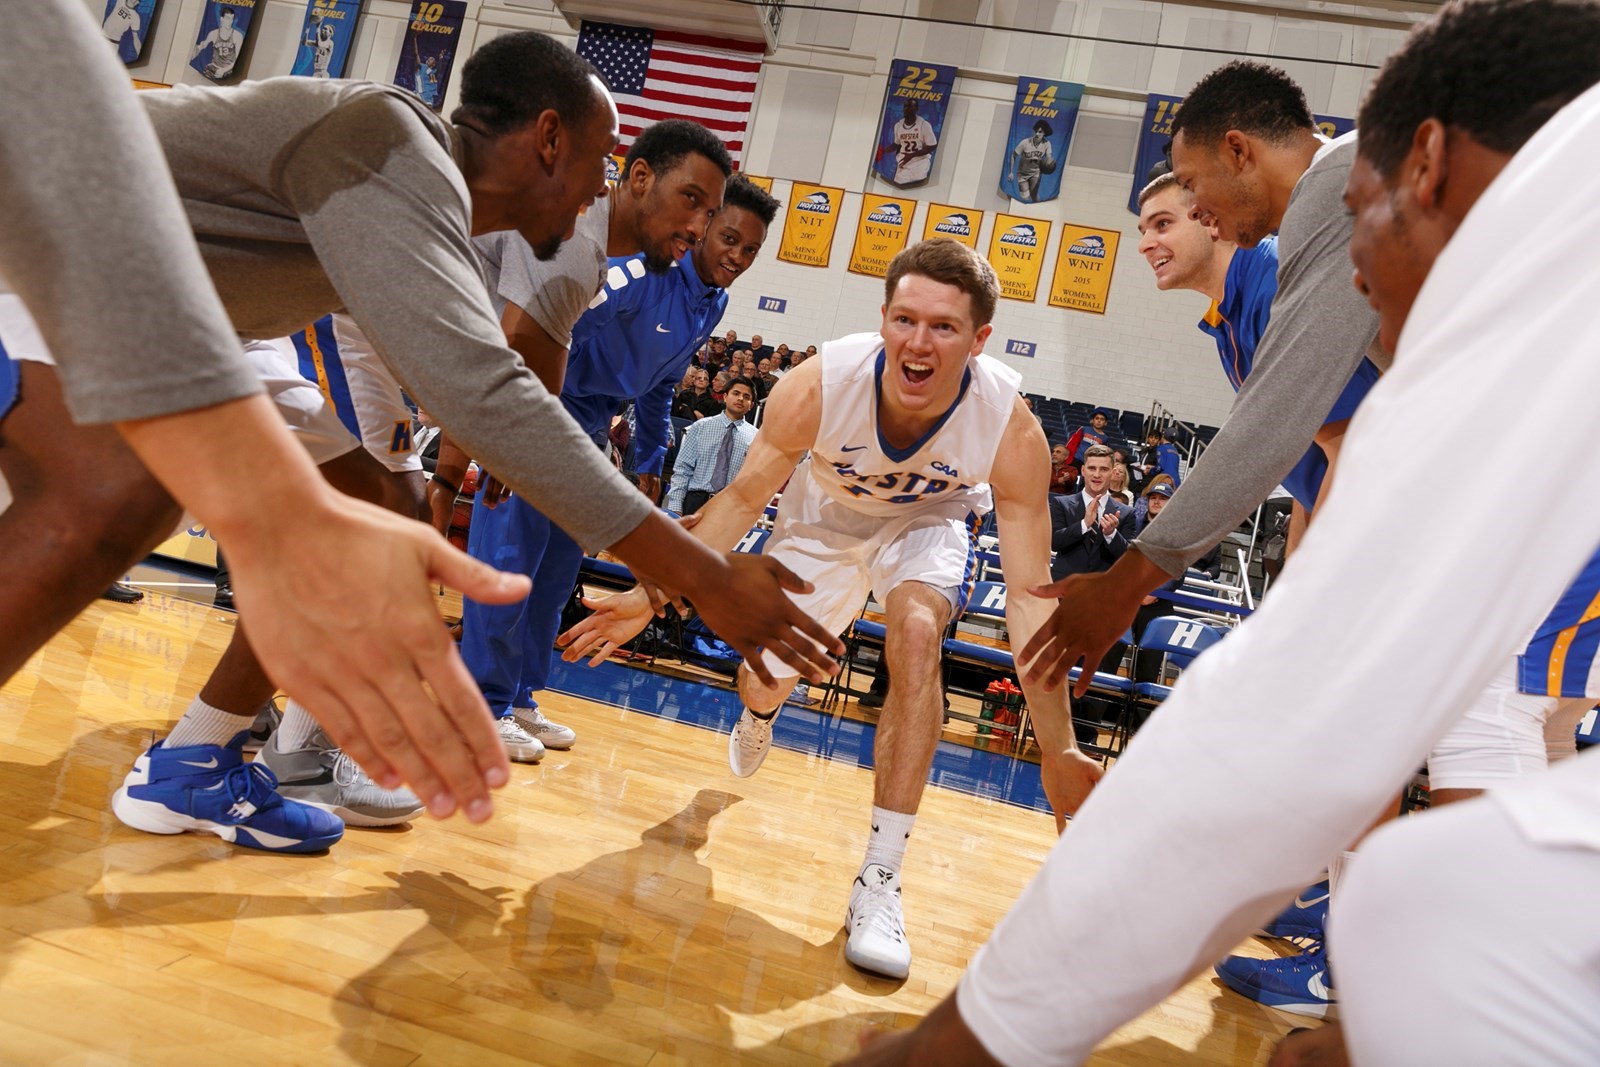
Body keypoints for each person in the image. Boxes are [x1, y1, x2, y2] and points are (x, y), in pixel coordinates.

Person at [834, 2, 1600, 1062]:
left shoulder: (1349, 189)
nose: (1365, 304)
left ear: (1423, 163)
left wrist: (965, 1040)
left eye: (1184, 196)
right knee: (1442, 876)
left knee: (1457, 822)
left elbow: (1273, 717)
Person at [7, 26, 841, 848]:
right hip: (55, 238)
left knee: (376, 517)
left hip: (202, 318)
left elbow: (497, 386)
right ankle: (291, 734)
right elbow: (491, 389)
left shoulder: (476, 213)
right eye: (601, 160)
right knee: (118, 491)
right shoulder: (387, 142)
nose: (601, 188)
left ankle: (200, 758)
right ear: (549, 140)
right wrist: (701, 575)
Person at [560, 239, 1105, 982]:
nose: (919, 342)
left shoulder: (1010, 432)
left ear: (980, 340)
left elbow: (1030, 602)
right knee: (764, 682)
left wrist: (1059, 745)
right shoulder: (819, 385)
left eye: (943, 327)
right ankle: (760, 711)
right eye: (905, 319)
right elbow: (744, 498)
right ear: (882, 318)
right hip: (823, 520)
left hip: (930, 520)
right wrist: (652, 593)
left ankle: (879, 878)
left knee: (917, 630)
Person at [1025, 58, 1392, 696]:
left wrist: (1134, 576)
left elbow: (1338, 444)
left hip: (1508, 480)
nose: (1194, 206)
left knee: (1448, 730)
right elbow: (1313, 468)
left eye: (1187, 194)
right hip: (1481, 485)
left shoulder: (1294, 239)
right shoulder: (1231, 316)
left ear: (1237, 151)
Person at [459, 167, 779, 761]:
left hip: (596, 433)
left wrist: (651, 453)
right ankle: (481, 702)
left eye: (751, 249)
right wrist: (513, 426)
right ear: (706, 224)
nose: (738, 255)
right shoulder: (636, 273)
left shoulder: (714, 302)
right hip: (544, 412)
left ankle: (518, 696)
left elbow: (659, 386)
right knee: (508, 563)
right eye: (730, 238)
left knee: (555, 574)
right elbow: (546, 330)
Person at [1135, 170, 1381, 520]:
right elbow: (1309, 457)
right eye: (1142, 231)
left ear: (1210, 219)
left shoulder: (1277, 286)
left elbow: (1354, 453)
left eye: (1162, 224)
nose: (1144, 244)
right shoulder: (1228, 317)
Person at [665, 378, 758, 517]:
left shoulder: (756, 437)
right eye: (736, 393)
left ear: (751, 405)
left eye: (746, 397)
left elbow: (753, 481)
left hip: (731, 507)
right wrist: (675, 506)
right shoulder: (700, 426)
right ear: (725, 397)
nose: (740, 399)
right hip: (695, 501)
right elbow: (683, 468)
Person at [1046, 446, 1134, 583]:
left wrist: (1111, 534)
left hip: (1102, 593)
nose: (1097, 475)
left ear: (1112, 472)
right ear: (1083, 470)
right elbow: (1054, 543)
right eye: (1092, 468)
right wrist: (1084, 524)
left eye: (1103, 469)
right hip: (1062, 588)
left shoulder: (1126, 513)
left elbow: (1128, 558)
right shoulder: (1060, 504)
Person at [886, 99, 938, 186]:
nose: (907, 109)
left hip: (920, 164)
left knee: (916, 190)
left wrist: (912, 155)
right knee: (897, 190)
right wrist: (883, 151)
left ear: (916, 109)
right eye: (905, 106)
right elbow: (897, 144)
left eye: (910, 106)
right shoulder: (898, 125)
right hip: (903, 163)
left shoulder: (924, 125)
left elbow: (932, 146)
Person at [1008, 119, 1055, 202]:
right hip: (1022, 174)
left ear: (1044, 133)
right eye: (1036, 131)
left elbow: (1049, 157)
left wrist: (1050, 162)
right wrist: (1011, 172)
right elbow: (1013, 155)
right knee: (1025, 197)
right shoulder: (1025, 142)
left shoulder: (1047, 144)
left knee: (1034, 195)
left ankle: (1037, 210)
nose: (1037, 134)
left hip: (1035, 173)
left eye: (1040, 132)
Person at [191, 5, 242, 81]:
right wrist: (192, 55)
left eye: (232, 19)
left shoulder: (237, 36)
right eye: (228, 18)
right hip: (213, 68)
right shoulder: (213, 33)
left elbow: (237, 59)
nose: (230, 22)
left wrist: (224, 70)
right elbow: (201, 46)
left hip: (228, 70)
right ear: (222, 19)